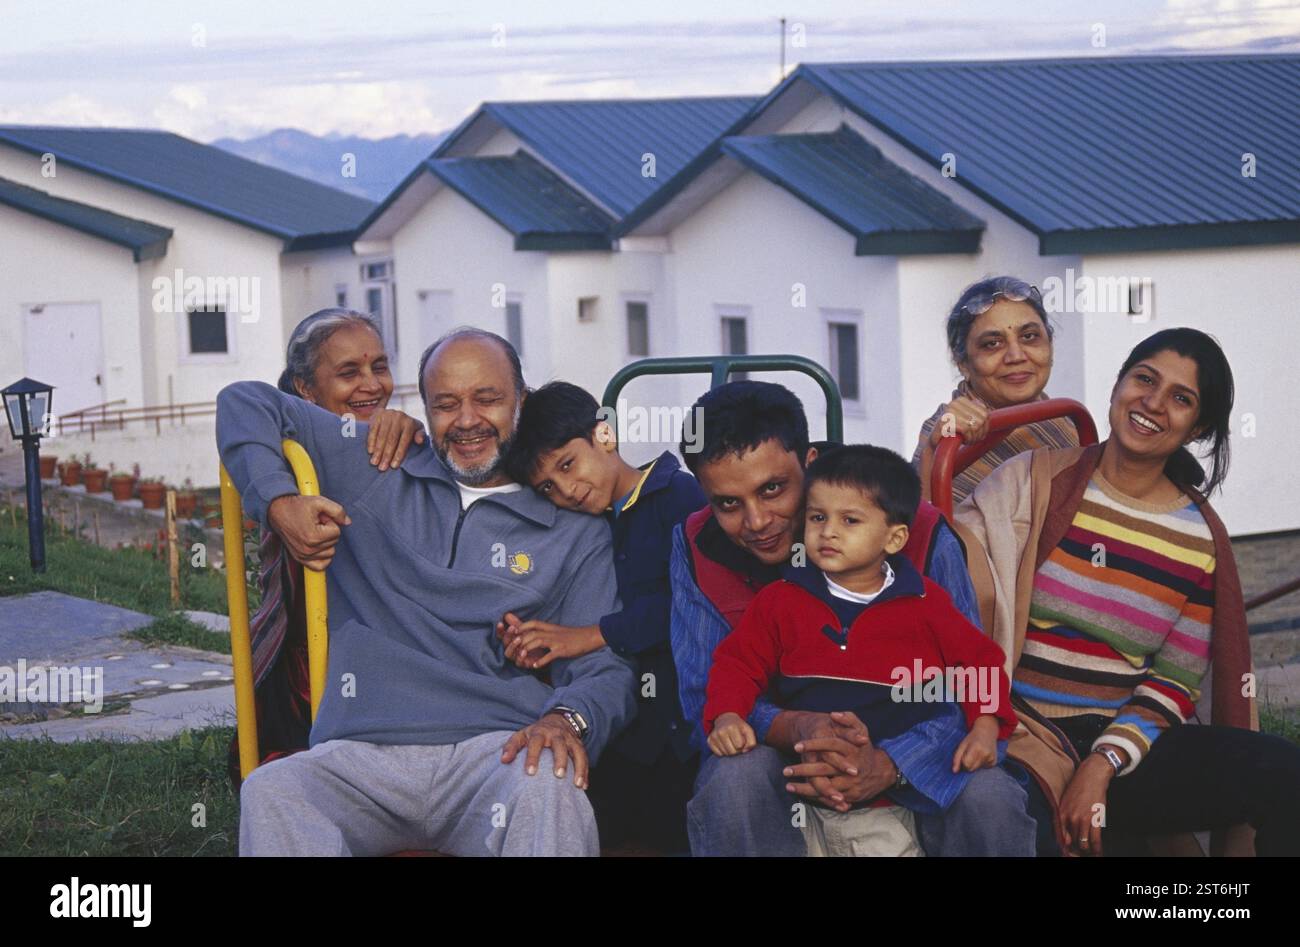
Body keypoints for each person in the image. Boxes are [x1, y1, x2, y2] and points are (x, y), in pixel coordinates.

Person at [216, 327, 637, 856]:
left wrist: (566, 720)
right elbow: (244, 401)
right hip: (364, 752)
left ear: (521, 402)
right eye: (446, 404)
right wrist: (279, 504)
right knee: (273, 791)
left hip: (498, 753)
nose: (467, 420)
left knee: (552, 788)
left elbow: (605, 667)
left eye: (487, 399)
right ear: (425, 408)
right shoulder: (374, 461)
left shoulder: (573, 527)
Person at [955, 327, 1300, 856]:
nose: (1153, 404)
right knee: (1006, 815)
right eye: (1144, 379)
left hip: (1125, 746)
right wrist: (938, 441)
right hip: (1019, 730)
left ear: (1197, 426)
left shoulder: (1197, 539)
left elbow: (1174, 681)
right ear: (1117, 384)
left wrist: (1102, 763)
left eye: (1180, 399)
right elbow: (948, 563)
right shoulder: (1033, 480)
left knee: (1285, 772)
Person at [670, 380, 1037, 856]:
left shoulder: (917, 532)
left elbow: (968, 676)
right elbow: (709, 691)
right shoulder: (705, 550)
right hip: (788, 773)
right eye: (728, 503)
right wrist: (799, 729)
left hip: (916, 761)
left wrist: (892, 762)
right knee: (733, 778)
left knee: (990, 795)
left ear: (810, 461)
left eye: (773, 489)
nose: (757, 522)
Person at [499, 381, 706, 852]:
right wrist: (533, 638)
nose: (567, 490)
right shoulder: (588, 527)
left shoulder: (679, 496)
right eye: (548, 486)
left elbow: (690, 605)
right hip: (620, 731)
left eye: (568, 464)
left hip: (685, 727)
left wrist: (590, 636)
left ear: (605, 435)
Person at [226, 308, 426, 788]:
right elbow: (239, 401)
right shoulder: (295, 451)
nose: (372, 385)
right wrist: (280, 503)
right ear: (304, 388)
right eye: (348, 372)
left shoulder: (399, 443)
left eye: (379, 367)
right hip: (312, 669)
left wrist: (412, 430)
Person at [913, 277, 1078, 505]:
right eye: (992, 344)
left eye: (1029, 337)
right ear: (962, 362)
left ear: (1049, 345)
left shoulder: (1065, 422)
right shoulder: (946, 433)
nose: (1016, 356)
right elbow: (922, 530)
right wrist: (934, 452)